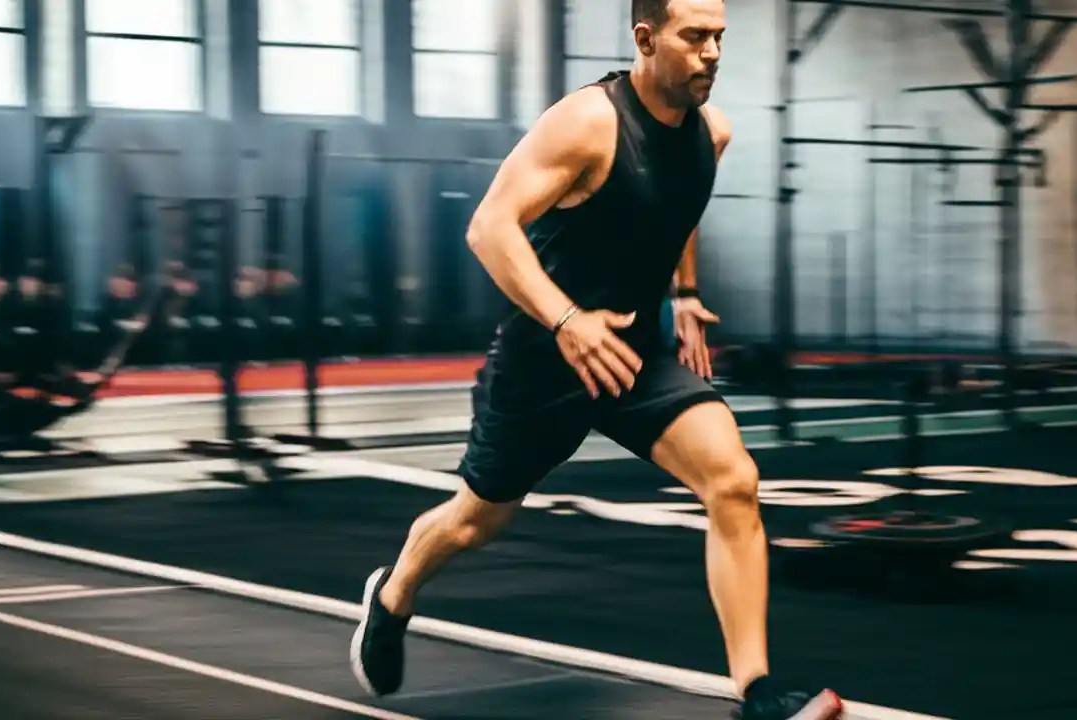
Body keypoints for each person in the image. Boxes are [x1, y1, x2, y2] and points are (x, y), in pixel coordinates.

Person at [351, 1, 842, 718]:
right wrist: (567, 320)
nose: (711, 53)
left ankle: (757, 693)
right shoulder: (588, 122)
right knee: (474, 521)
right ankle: (392, 597)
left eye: (719, 38)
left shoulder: (713, 132)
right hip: (543, 362)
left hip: (633, 356)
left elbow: (679, 206)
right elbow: (489, 228)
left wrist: (687, 292)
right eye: (694, 37)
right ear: (645, 39)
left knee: (733, 480)